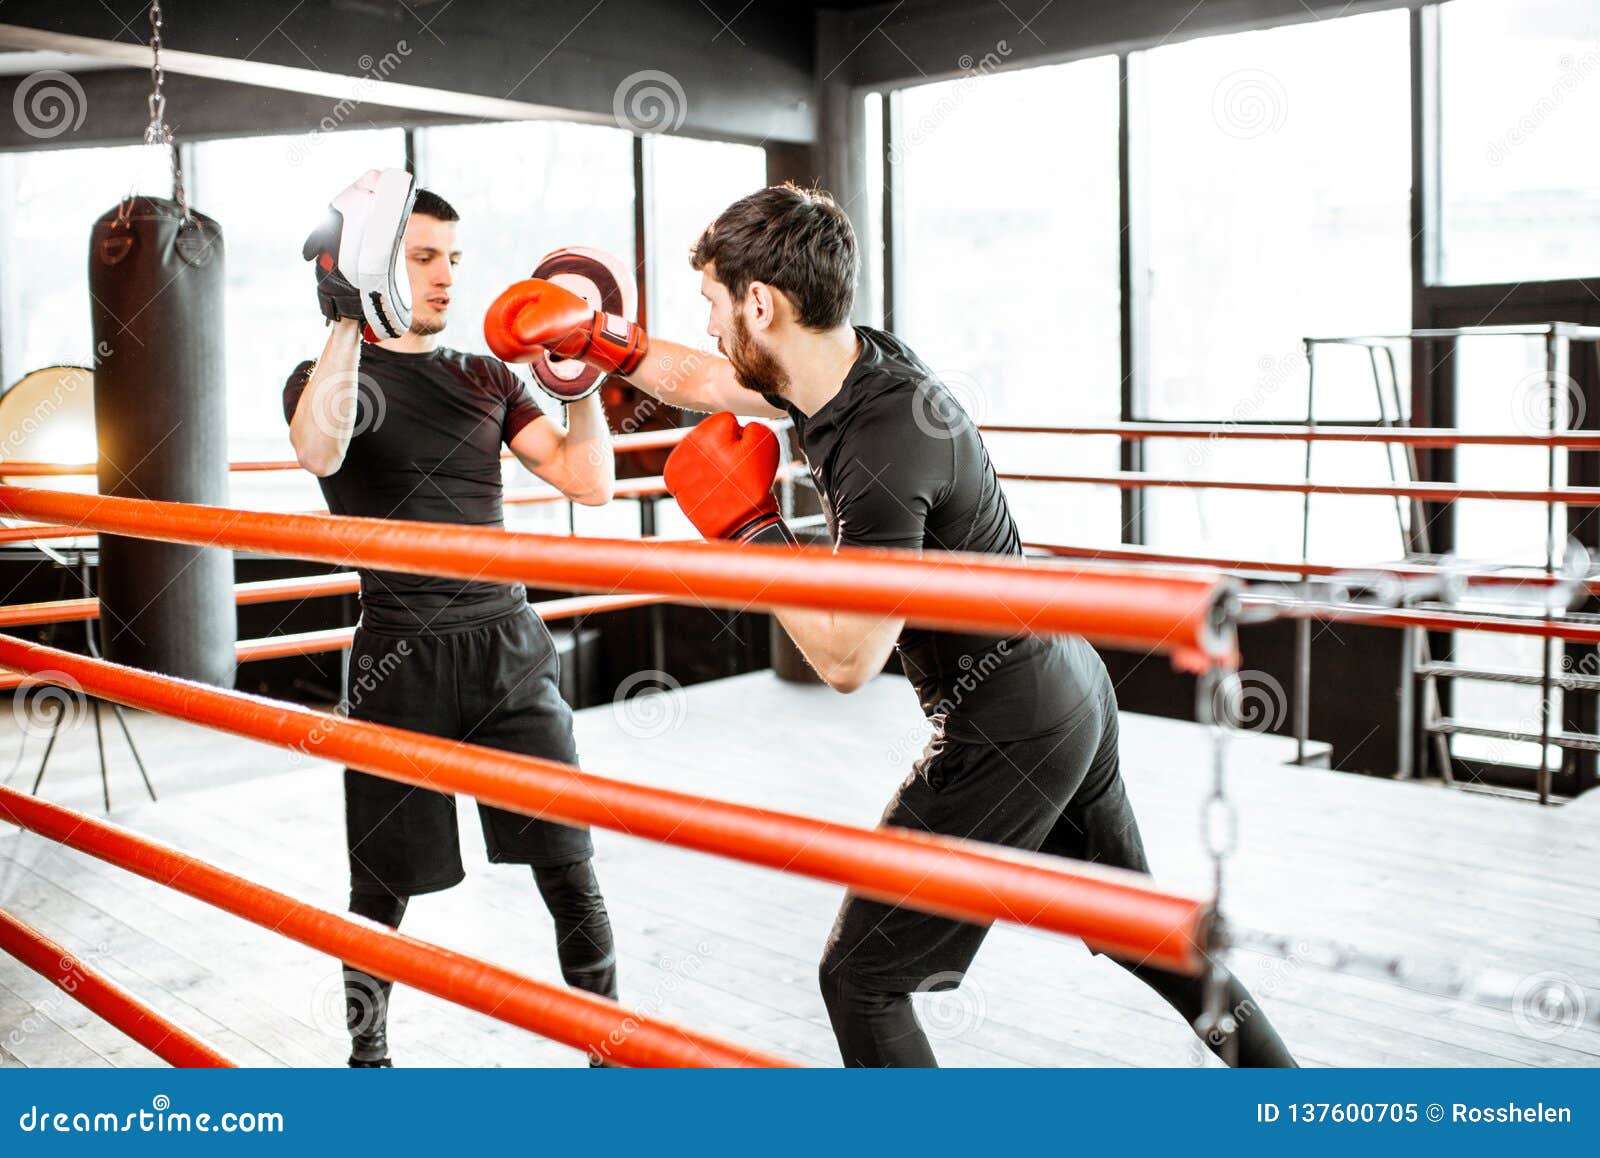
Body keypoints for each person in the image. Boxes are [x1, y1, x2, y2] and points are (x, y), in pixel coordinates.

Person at [482, 183, 1297, 1068]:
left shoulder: (880, 447)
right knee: (1147, 934)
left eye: (714, 306)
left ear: (761, 303)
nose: (710, 327)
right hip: (1066, 684)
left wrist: (755, 535)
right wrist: (605, 343)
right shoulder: (844, 366)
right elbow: (709, 377)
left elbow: (847, 657)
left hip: (1009, 723)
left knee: (861, 979)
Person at [286, 172, 620, 1067]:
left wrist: (579, 372)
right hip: (401, 653)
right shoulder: (327, 373)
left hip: (510, 646)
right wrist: (348, 314)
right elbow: (318, 448)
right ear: (373, 264)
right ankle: (369, 1068)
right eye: (423, 257)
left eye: (453, 259)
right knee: (382, 886)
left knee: (569, 863)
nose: (445, 276)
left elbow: (588, 480)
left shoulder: (484, 374)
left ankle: (611, 1059)